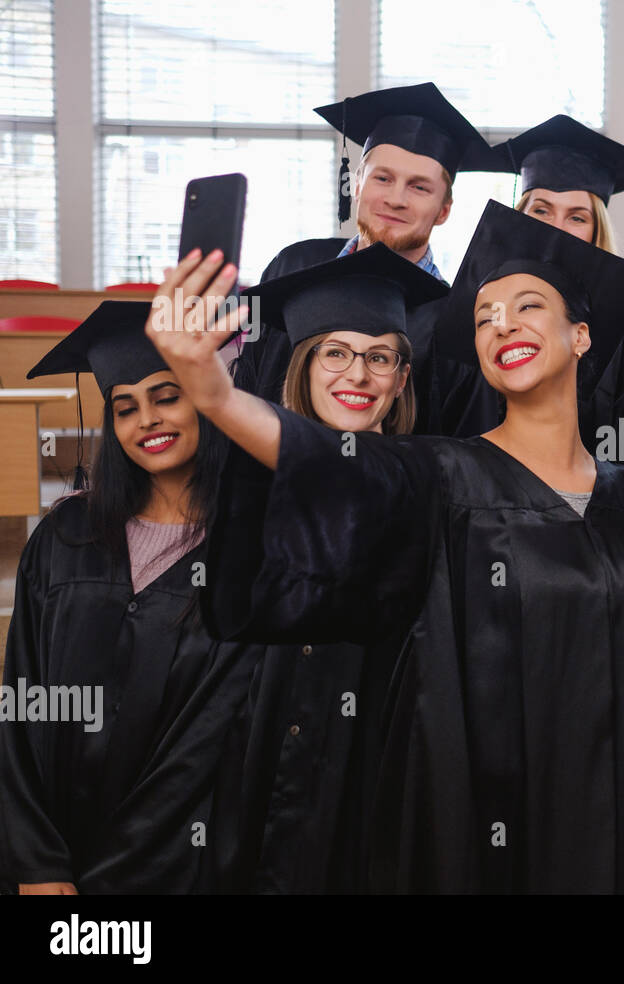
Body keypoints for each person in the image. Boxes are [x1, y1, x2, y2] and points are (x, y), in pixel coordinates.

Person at [145, 201, 624, 894]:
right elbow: (329, 458)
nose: (501, 324)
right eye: (483, 317)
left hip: (602, 821)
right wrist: (212, 392)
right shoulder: (437, 474)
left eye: (528, 306)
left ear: (581, 336)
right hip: (465, 824)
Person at [199, 245, 446, 893]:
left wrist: (211, 391)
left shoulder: (429, 480)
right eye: (335, 352)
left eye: (380, 356)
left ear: (400, 379)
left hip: (373, 768)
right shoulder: (252, 482)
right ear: (303, 366)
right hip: (258, 757)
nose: (358, 374)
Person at [0, 301, 261, 893]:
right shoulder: (66, 540)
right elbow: (21, 701)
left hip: (183, 866)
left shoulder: (247, 555)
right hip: (58, 862)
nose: (147, 419)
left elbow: (225, 740)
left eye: (167, 396)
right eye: (125, 407)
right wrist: (34, 861)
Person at [233, 82, 491, 435]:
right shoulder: (293, 265)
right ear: (356, 184)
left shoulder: (456, 322)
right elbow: (248, 386)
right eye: (383, 178)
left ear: (444, 210)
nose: (396, 199)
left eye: (419, 187)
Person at [442, 114, 624, 472]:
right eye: (541, 210)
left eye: (577, 217)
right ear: (519, 214)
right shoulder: (478, 316)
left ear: (596, 229)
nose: (556, 230)